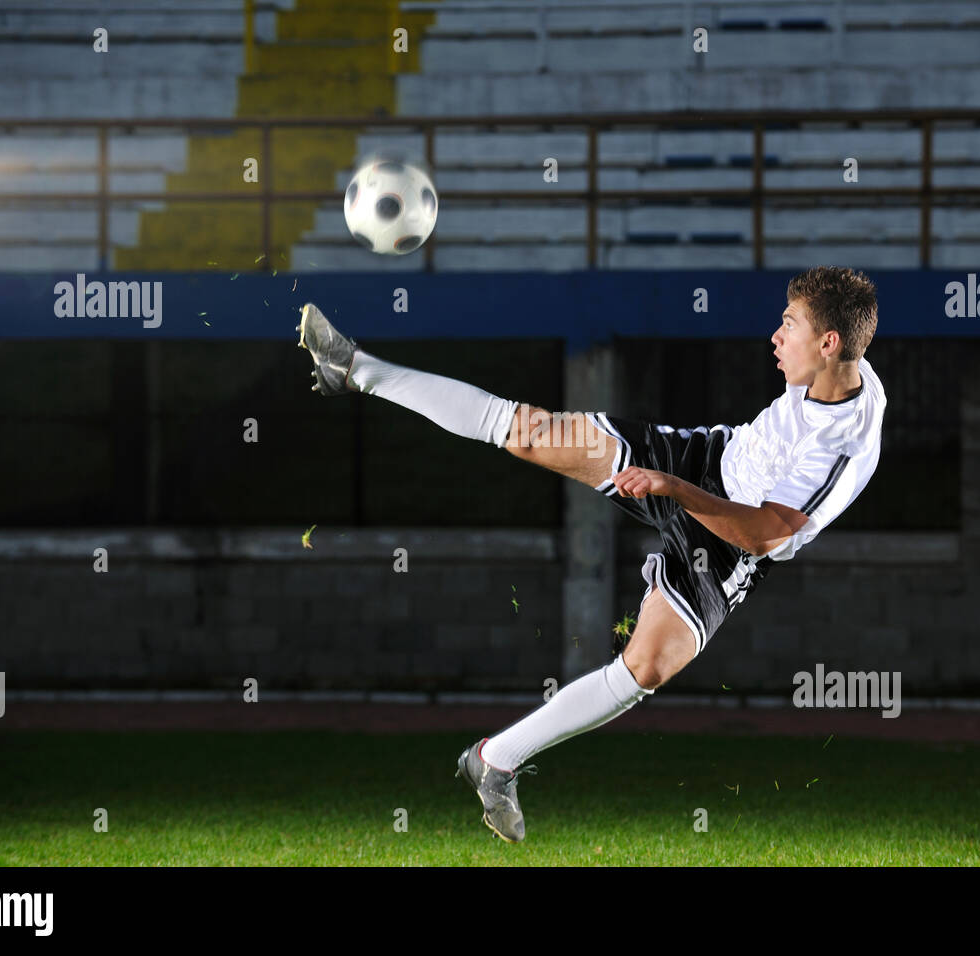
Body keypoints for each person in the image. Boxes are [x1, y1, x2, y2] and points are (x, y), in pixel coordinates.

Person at [296, 265, 886, 843]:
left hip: (728, 538)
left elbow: (765, 536)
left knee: (645, 670)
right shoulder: (834, 366)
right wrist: (676, 477)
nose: (776, 336)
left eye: (789, 325)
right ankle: (353, 367)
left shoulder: (841, 446)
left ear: (829, 343)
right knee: (526, 431)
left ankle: (494, 760)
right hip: (702, 460)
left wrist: (672, 490)